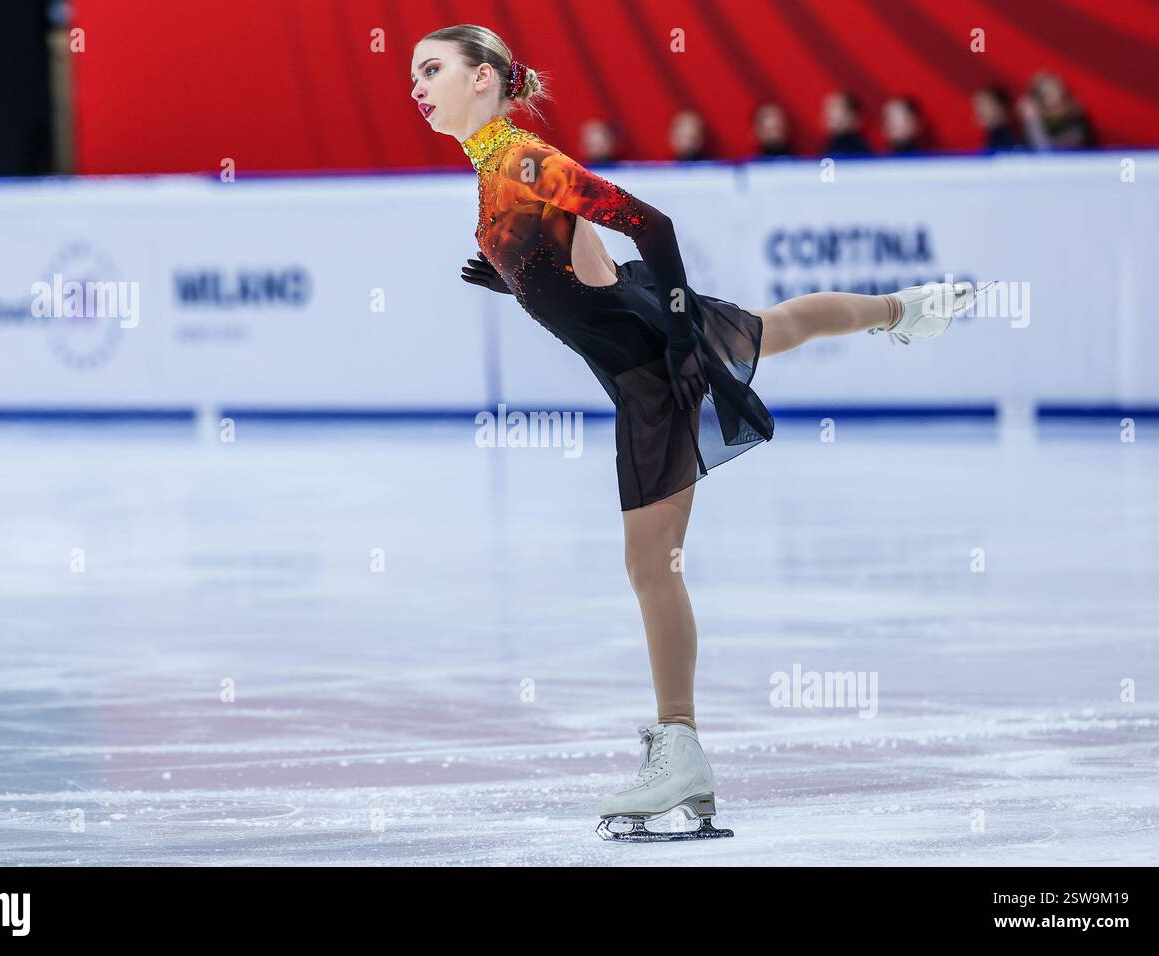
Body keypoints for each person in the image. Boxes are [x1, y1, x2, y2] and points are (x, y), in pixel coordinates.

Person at [412, 24, 975, 841]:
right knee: (776, 327)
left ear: (486, 80)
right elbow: (583, 272)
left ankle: (680, 749)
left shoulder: (523, 161)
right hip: (639, 333)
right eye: (414, 74)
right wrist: (520, 283)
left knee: (651, 565)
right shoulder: (494, 176)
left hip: (650, 366)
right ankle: (909, 309)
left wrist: (677, 325)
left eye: (434, 69)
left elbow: (652, 223)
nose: (419, 85)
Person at [972, 85, 1023, 151]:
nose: (979, 110)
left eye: (985, 104)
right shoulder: (990, 139)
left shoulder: (1012, 140)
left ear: (1001, 108)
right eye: (977, 106)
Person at [821, 91, 872, 155]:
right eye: (827, 107)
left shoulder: (858, 148)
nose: (828, 112)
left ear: (853, 115)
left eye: (835, 107)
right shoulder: (827, 146)